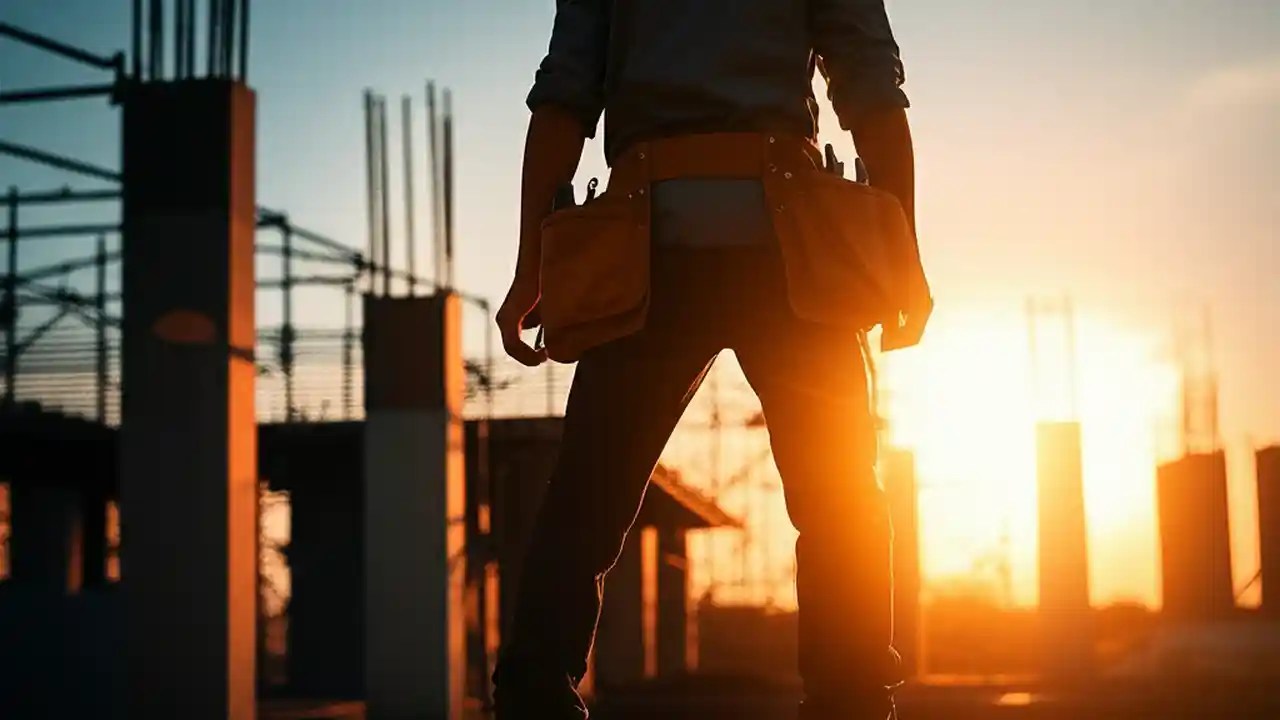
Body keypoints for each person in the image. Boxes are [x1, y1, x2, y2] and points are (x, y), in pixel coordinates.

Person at [493, 1, 932, 718]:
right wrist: (902, 251)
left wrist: (529, 265)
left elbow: (565, 95)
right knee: (841, 500)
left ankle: (532, 699)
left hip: (645, 247)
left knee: (584, 502)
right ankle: (850, 702)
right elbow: (871, 83)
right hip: (794, 251)